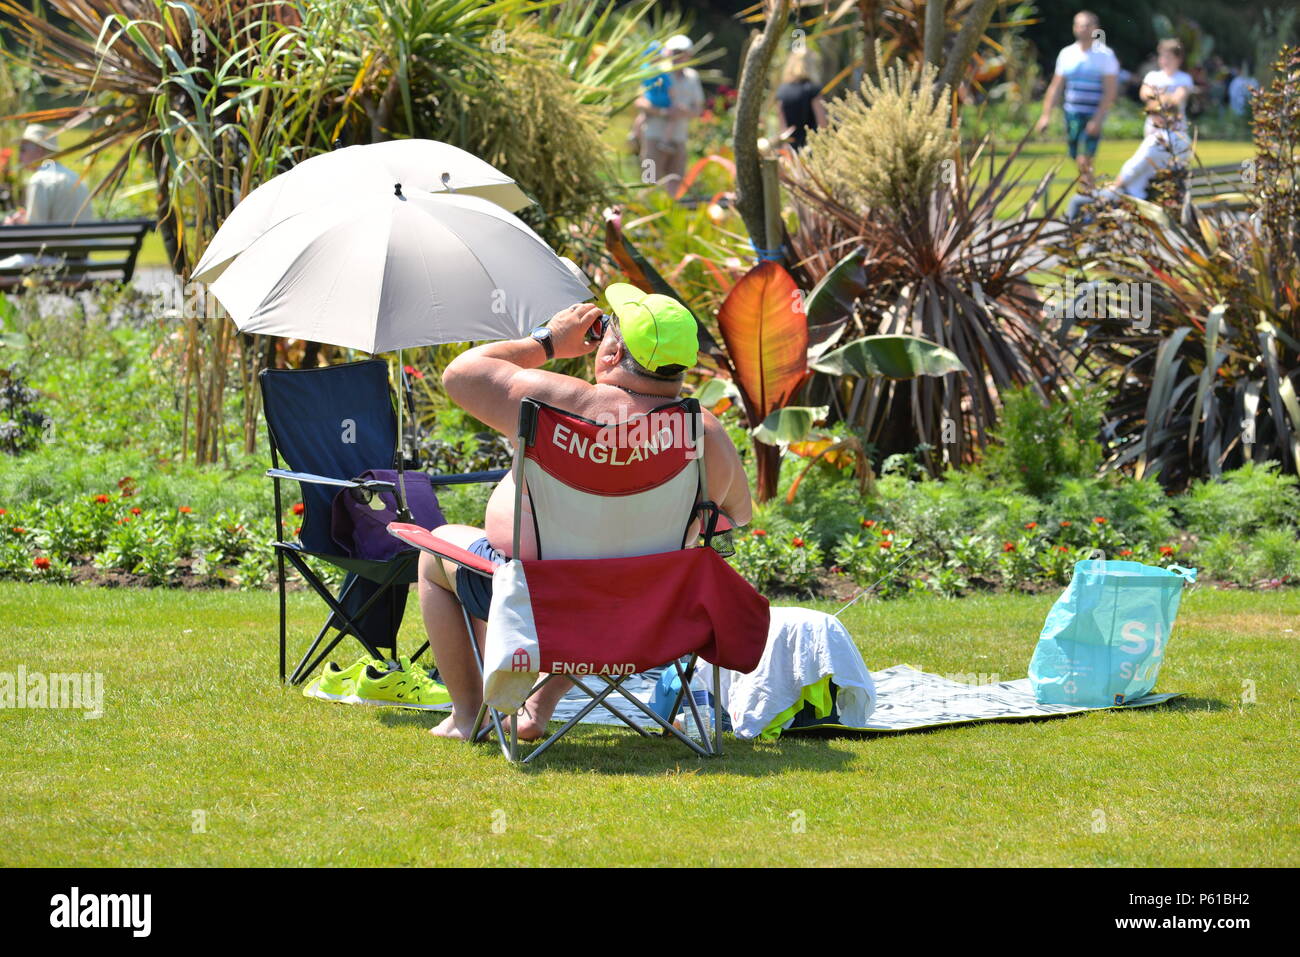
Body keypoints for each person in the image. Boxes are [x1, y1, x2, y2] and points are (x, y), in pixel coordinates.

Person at [419, 288, 753, 742]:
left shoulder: (554, 401)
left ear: (612, 352)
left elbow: (461, 373)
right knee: (606, 571)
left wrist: (550, 341)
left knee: (435, 553)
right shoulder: (705, 431)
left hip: (540, 606)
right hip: (651, 613)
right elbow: (738, 514)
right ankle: (537, 704)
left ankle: (468, 714)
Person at [1035, 10, 1120, 189]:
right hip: (1072, 113)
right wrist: (1046, 115)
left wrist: (1098, 118)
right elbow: (1056, 87)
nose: (1083, 29)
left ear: (1096, 28)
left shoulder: (1105, 55)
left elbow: (1110, 91)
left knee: (1085, 156)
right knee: (1075, 155)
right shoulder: (1067, 54)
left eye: (1087, 25)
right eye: (1080, 25)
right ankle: (1090, 191)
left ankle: (1088, 192)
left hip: (1092, 113)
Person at [634, 33, 705, 197]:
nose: (678, 56)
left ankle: (669, 215)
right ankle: (648, 216)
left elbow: (697, 110)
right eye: (675, 52)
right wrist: (663, 112)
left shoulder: (692, 77)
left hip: (679, 138)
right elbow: (639, 101)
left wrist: (682, 112)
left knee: (676, 180)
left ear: (689, 54)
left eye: (682, 52)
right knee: (649, 178)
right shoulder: (657, 72)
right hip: (653, 136)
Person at [2, 124, 93, 226]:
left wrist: (12, 223)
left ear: (39, 151)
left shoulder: (39, 181)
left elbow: (34, 230)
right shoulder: (75, 177)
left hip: (57, 242)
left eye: (23, 150)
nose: (19, 157)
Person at [775, 48, 828, 151]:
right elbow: (823, 125)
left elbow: (782, 128)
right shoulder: (813, 89)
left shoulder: (782, 91)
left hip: (790, 151)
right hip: (811, 150)